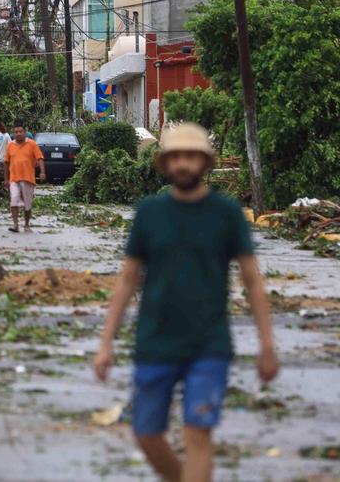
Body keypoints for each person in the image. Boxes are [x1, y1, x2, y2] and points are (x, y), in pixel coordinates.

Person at [93, 122, 278, 482]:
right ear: (164, 163)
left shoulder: (225, 213)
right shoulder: (150, 212)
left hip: (208, 344)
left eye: (191, 156)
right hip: (154, 342)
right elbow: (127, 279)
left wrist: (267, 344)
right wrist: (105, 344)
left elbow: (252, 281)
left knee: (197, 434)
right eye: (176, 156)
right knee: (146, 435)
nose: (183, 163)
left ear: (205, 162)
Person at [4, 122, 44, 232]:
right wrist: (6, 178)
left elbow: (40, 158)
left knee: (27, 204)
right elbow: (6, 162)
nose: (18, 134)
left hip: (28, 179)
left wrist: (42, 172)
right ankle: (15, 225)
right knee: (14, 200)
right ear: (14, 133)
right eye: (16, 132)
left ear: (25, 133)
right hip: (14, 178)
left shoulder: (32, 144)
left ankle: (26, 224)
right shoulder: (10, 145)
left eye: (20, 131)